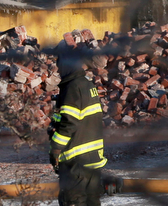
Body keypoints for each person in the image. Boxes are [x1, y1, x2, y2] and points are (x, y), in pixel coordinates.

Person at [49, 32, 109, 206]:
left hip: (76, 165)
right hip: (92, 162)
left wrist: (55, 149)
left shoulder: (72, 87)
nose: (58, 67)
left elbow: (69, 122)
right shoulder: (88, 85)